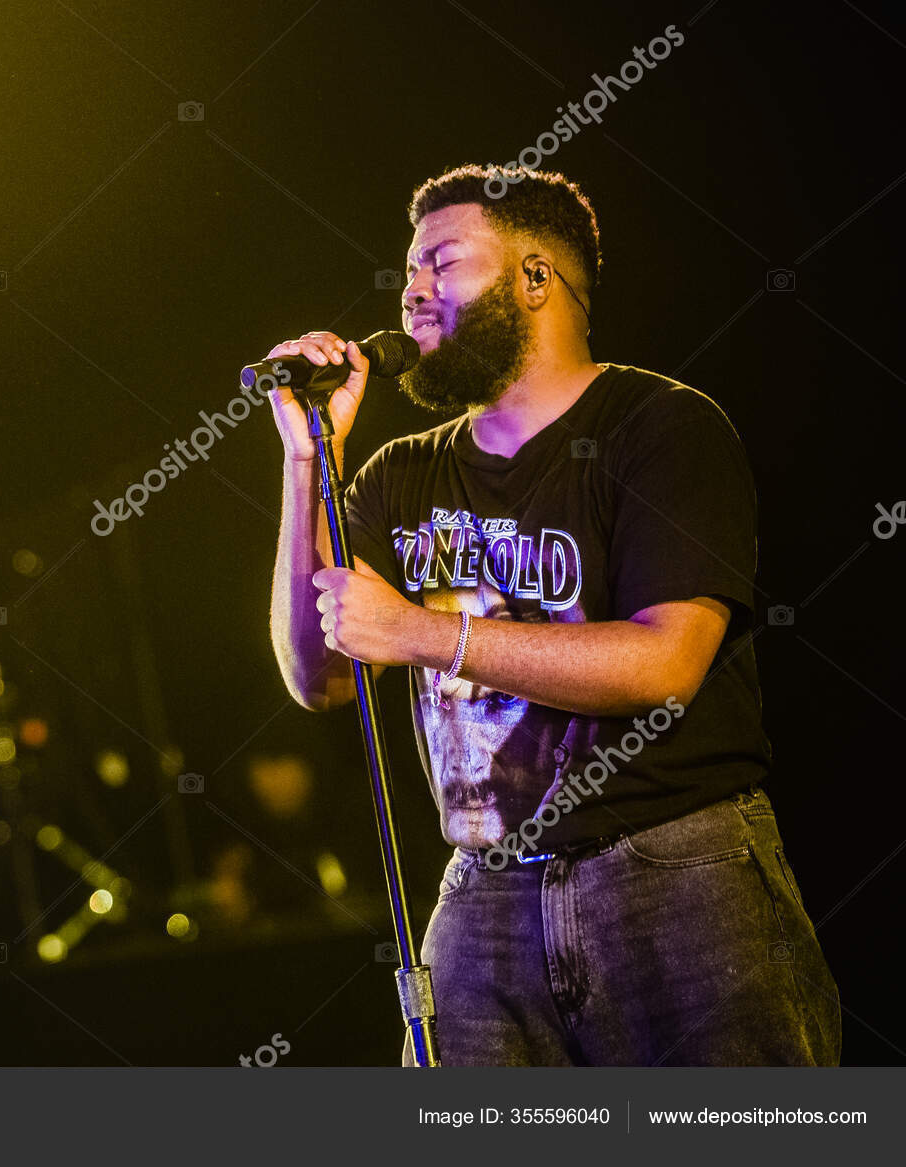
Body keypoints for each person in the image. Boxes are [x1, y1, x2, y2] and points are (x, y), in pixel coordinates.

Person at [264, 164, 839, 1066]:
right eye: (409, 270)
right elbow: (319, 675)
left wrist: (423, 633)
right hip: (481, 895)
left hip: (674, 875)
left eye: (442, 263)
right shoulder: (397, 473)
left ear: (536, 279)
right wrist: (310, 461)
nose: (413, 293)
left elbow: (666, 664)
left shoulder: (662, 427)